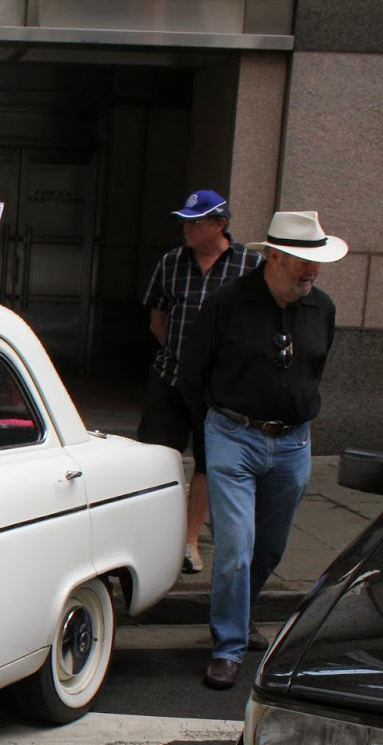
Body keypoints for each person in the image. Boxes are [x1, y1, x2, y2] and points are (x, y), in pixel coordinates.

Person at [176, 210, 347, 689]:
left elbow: (315, 367)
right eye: (301, 262)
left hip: (293, 442)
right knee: (234, 547)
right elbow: (192, 373)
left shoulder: (323, 308)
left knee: (270, 546)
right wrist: (206, 447)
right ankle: (227, 644)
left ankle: (241, 614)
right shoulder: (227, 303)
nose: (311, 272)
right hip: (232, 434)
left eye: (316, 263)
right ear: (273, 257)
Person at [138, 190, 263, 576]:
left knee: (209, 462)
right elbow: (157, 320)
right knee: (158, 457)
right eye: (186, 221)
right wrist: (183, 359)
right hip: (171, 376)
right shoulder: (171, 263)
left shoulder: (249, 265)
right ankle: (153, 536)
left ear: (220, 224)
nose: (188, 229)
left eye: (197, 222)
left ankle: (190, 541)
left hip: (219, 387)